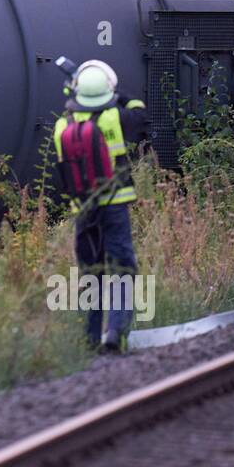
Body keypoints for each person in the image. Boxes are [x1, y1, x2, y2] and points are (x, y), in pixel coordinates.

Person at [52, 60, 148, 354]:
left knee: (92, 273)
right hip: (115, 207)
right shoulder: (114, 118)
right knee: (122, 268)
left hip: (83, 210)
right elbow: (139, 111)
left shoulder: (61, 127)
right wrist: (116, 92)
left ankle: (91, 338)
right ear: (106, 94)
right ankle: (115, 332)